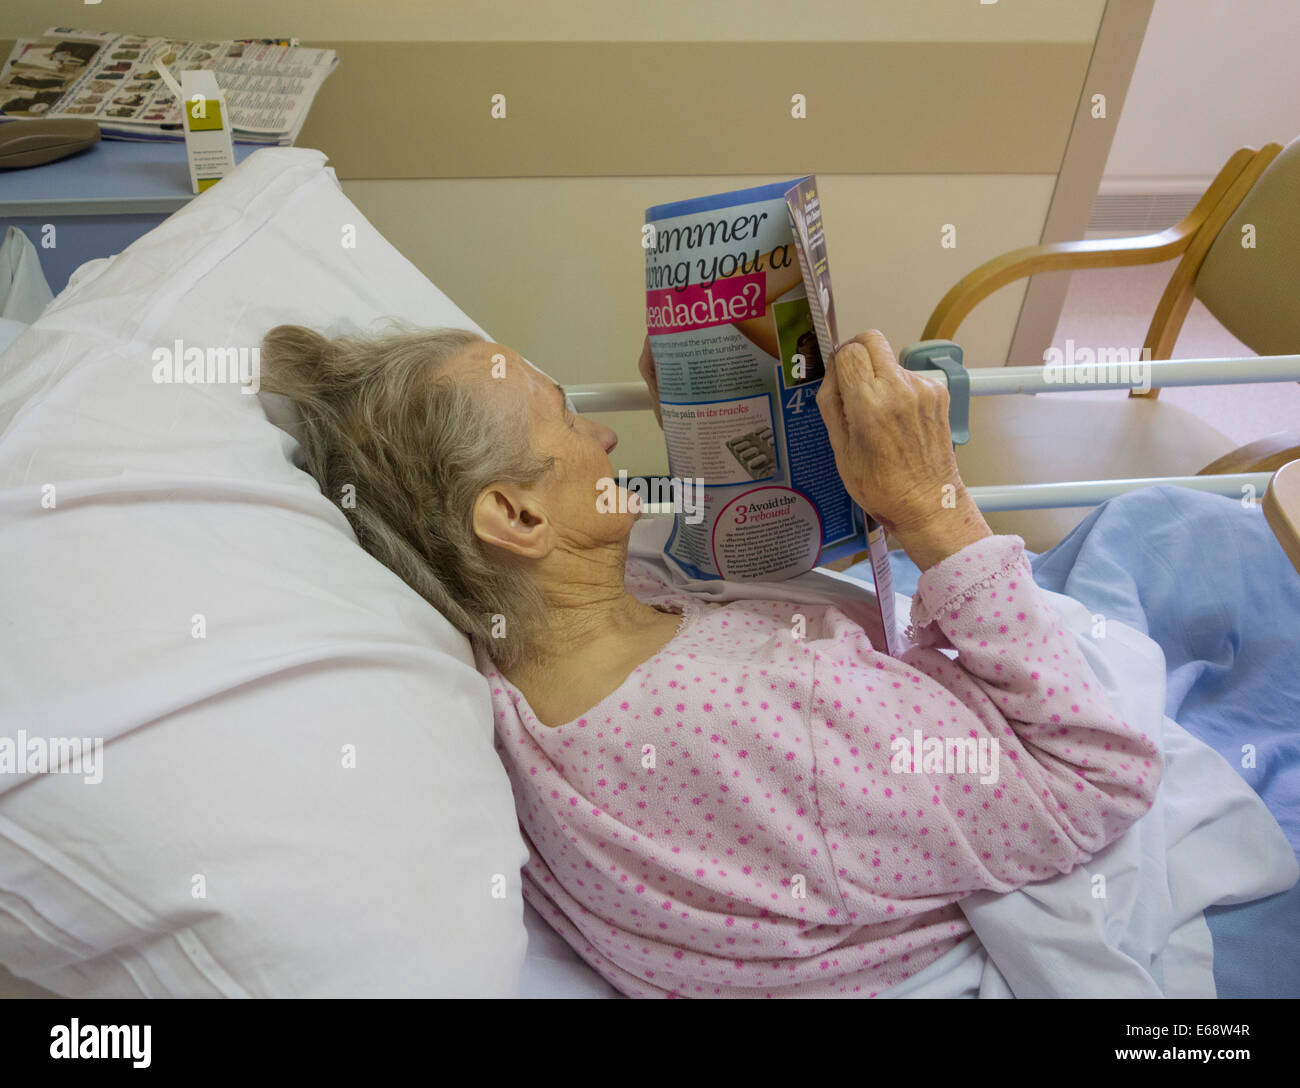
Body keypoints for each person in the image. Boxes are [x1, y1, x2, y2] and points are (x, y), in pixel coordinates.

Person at [260, 323, 1162, 997]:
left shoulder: (516, 681)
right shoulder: (770, 710)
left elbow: (716, 581)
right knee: (1175, 531)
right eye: (567, 419)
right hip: (1015, 807)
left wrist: (706, 429)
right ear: (519, 518)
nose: (603, 438)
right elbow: (1099, 776)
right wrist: (938, 512)